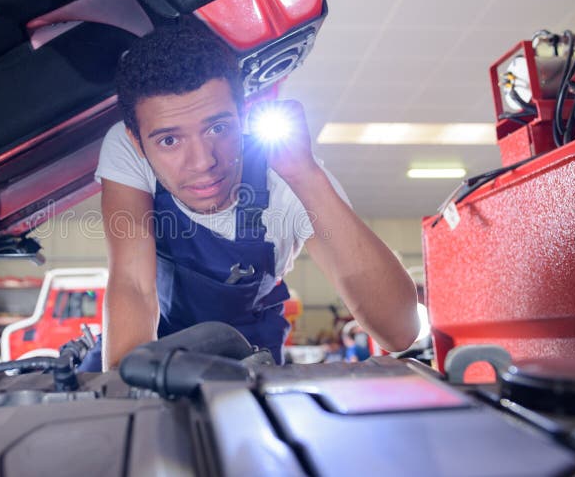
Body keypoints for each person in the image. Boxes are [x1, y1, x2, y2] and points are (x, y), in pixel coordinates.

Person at [81, 23, 418, 371]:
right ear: (137, 143)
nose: (203, 162)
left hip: (249, 358)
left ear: (243, 116)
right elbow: (134, 285)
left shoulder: (286, 176)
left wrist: (306, 176)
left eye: (218, 128)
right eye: (170, 141)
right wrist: (133, 393)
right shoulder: (124, 150)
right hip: (151, 342)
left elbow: (400, 332)